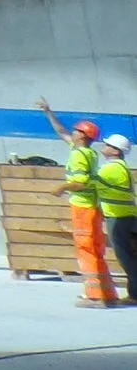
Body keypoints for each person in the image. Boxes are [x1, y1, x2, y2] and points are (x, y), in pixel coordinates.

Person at [40, 97, 119, 306]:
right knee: (96, 248)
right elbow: (62, 133)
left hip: (83, 207)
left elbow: (81, 182)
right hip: (91, 206)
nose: (72, 132)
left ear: (83, 136)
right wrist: (49, 113)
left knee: (86, 249)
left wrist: (61, 187)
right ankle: (107, 294)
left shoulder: (78, 156)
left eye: (77, 131)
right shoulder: (87, 152)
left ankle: (94, 295)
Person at [100, 135, 137, 298]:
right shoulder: (120, 166)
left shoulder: (111, 168)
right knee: (130, 255)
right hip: (126, 216)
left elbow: (91, 184)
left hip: (119, 218)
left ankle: (135, 294)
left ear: (115, 150)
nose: (104, 146)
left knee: (126, 257)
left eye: (107, 144)